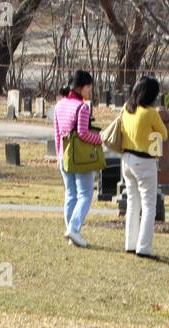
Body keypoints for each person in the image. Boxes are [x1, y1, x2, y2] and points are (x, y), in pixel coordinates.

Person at [118, 77, 168, 258]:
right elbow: (163, 133)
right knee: (149, 206)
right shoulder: (150, 113)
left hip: (127, 160)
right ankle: (144, 247)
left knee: (132, 203)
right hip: (144, 162)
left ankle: (130, 243)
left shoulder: (126, 108)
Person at [53, 70, 102, 248]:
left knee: (70, 194)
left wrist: (59, 156)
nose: (90, 91)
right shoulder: (82, 107)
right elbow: (83, 134)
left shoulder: (59, 105)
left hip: (64, 156)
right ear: (81, 88)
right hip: (80, 158)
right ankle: (74, 229)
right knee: (86, 194)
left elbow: (57, 134)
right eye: (89, 88)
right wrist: (100, 139)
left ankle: (70, 231)